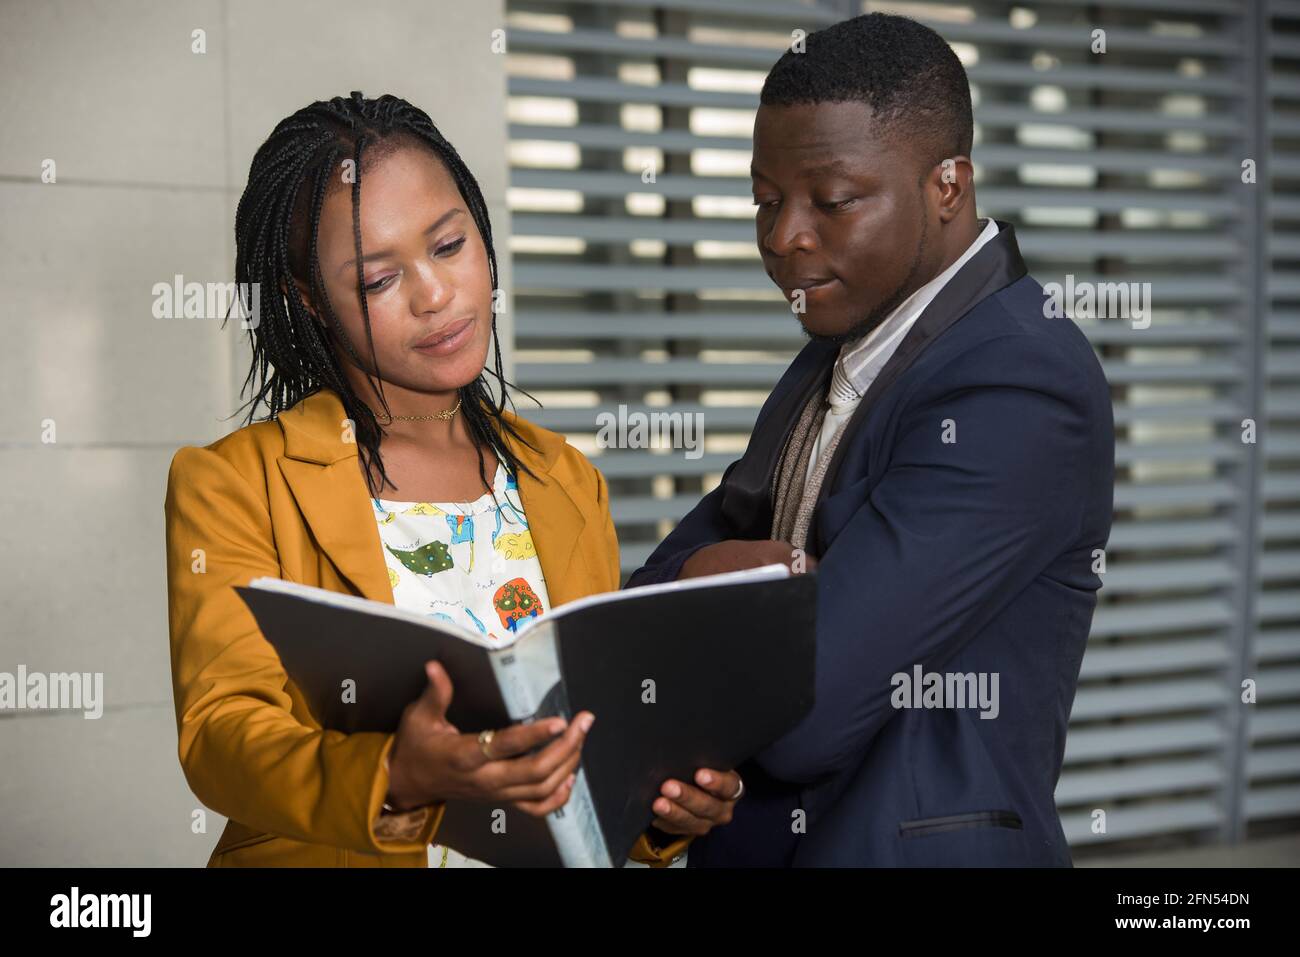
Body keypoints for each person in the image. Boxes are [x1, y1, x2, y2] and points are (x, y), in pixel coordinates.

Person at [164, 92, 741, 867]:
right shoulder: (235, 484)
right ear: (312, 300)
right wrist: (393, 778)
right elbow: (221, 734)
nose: (435, 295)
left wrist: (665, 807)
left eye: (448, 244)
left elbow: (588, 741)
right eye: (377, 280)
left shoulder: (563, 477)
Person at [627, 14, 1114, 866]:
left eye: (833, 200)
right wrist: (710, 578)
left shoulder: (1022, 380)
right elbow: (651, 590)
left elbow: (806, 718)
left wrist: (696, 611)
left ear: (948, 187)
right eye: (766, 200)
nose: (783, 238)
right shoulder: (845, 340)